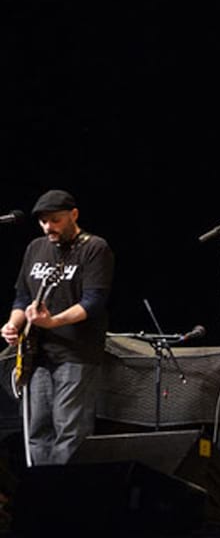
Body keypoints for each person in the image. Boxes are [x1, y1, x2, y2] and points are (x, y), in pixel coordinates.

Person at [2, 190, 115, 465]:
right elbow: (23, 297)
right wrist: (12, 324)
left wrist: (54, 321)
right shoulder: (35, 248)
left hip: (76, 353)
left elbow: (93, 302)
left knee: (69, 430)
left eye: (55, 220)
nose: (48, 227)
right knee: (37, 428)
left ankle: (65, 496)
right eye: (43, 222)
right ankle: (42, 493)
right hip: (36, 354)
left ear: (73, 215)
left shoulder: (95, 247)